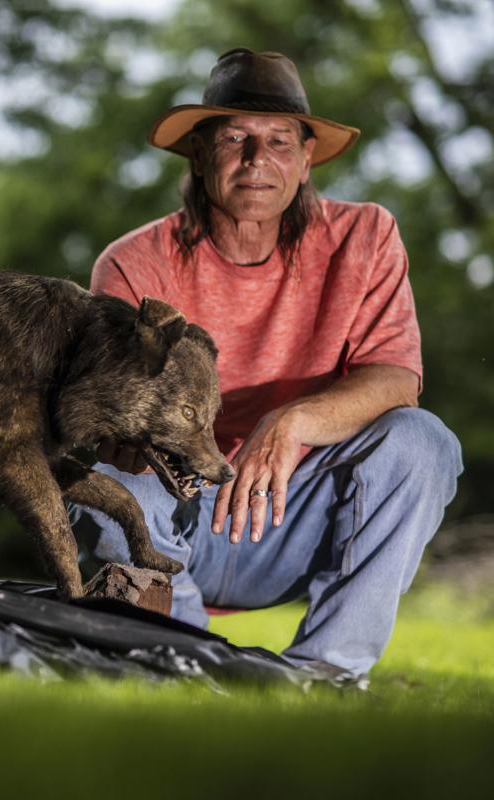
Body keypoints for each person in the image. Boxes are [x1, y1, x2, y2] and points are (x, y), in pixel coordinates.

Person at [69, 48, 463, 680]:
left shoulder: (366, 236)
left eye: (279, 141)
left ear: (306, 161)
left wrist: (292, 421)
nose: (257, 160)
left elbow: (396, 377)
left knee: (423, 442)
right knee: (105, 480)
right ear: (199, 154)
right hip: (175, 521)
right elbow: (114, 416)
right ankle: (190, 664)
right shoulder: (134, 262)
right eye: (234, 139)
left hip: (298, 518)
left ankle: (326, 676)